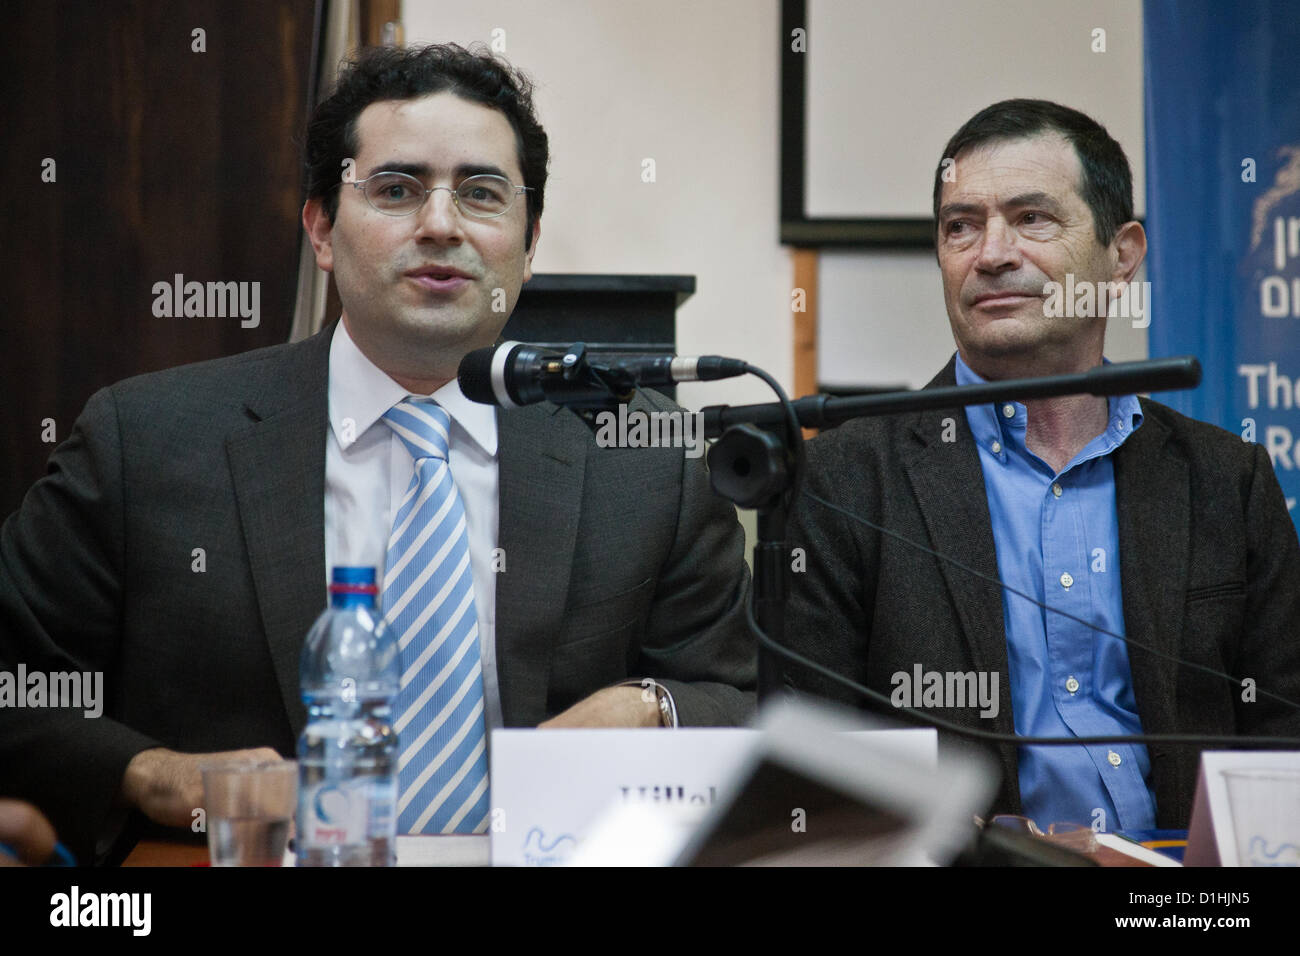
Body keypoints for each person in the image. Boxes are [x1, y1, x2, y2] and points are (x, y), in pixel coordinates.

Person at [0, 43, 754, 863]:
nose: (440, 225)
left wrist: (649, 706)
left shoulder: (644, 459)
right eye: (395, 191)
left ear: (529, 243)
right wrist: (152, 774)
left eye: (481, 193)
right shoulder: (144, 443)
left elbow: (748, 697)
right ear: (321, 229)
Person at [786, 99, 1300, 831]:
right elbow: (815, 763)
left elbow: (1284, 740)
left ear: (1121, 256)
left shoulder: (1226, 479)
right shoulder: (844, 481)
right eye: (960, 226)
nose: (991, 253)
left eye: (1032, 219)